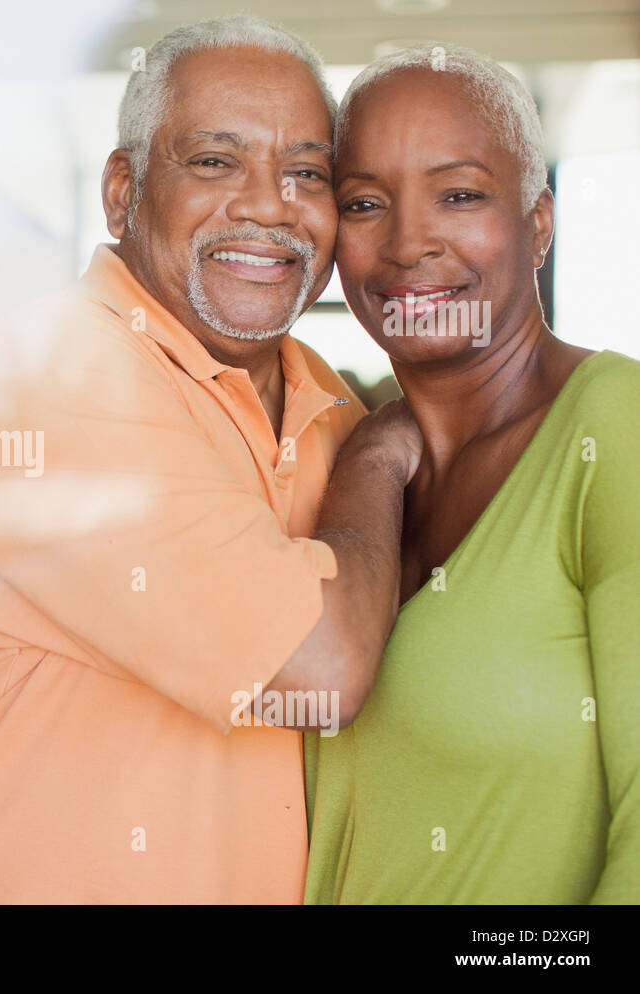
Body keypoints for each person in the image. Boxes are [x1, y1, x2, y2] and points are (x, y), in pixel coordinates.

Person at [0, 16, 422, 904]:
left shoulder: (322, 396)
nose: (268, 205)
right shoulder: (55, 366)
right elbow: (316, 671)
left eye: (307, 173)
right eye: (215, 161)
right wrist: (385, 445)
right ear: (123, 191)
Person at [304, 43, 640, 904]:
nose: (411, 241)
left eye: (460, 194)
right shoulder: (346, 471)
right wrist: (374, 458)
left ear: (540, 223)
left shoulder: (613, 424)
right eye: (365, 202)